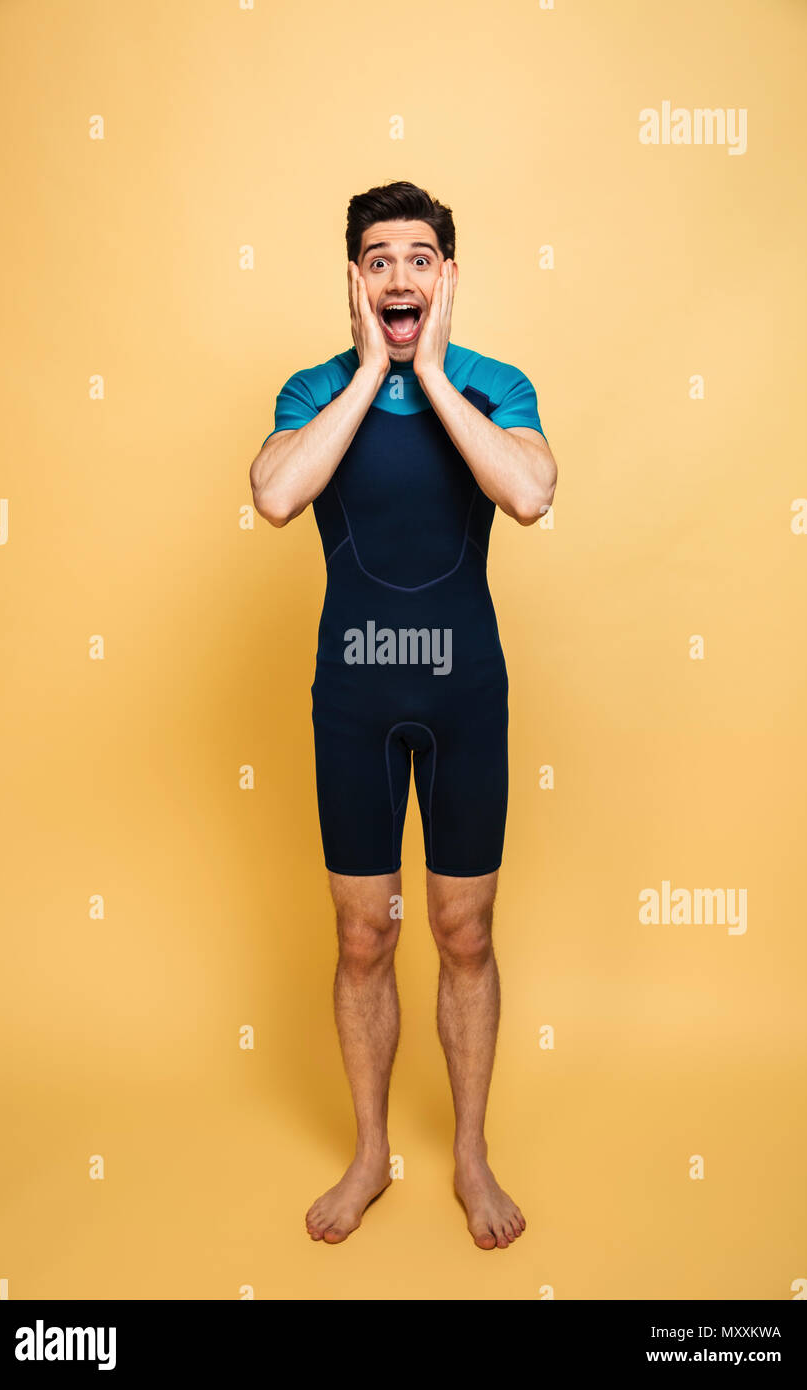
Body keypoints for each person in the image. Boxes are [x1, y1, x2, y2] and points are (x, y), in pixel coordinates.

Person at [250, 181, 558, 1250]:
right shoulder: (310, 389)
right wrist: (371, 370)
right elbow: (277, 494)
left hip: (464, 693)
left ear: (447, 279)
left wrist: (427, 372)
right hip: (355, 699)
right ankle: (371, 1154)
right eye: (375, 259)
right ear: (353, 281)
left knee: (462, 932)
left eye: (418, 258)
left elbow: (527, 493)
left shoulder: (490, 384)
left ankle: (469, 1155)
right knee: (359, 938)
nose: (397, 276)